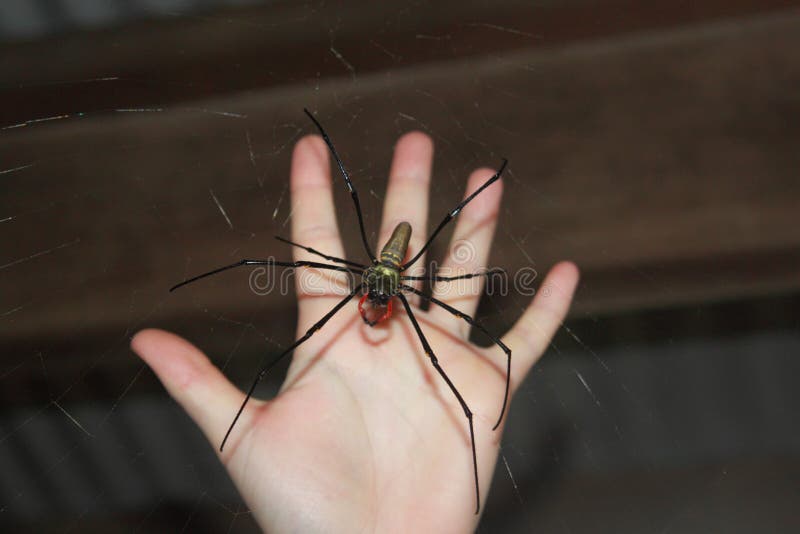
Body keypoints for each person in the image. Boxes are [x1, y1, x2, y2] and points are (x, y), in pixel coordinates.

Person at [132, 131, 579, 532]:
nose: (376, 297)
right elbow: (316, 259)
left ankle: (492, 177)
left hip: (393, 263)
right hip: (385, 262)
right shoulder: (374, 282)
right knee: (312, 303)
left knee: (437, 353)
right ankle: (327, 139)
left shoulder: (396, 286)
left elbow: (455, 314)